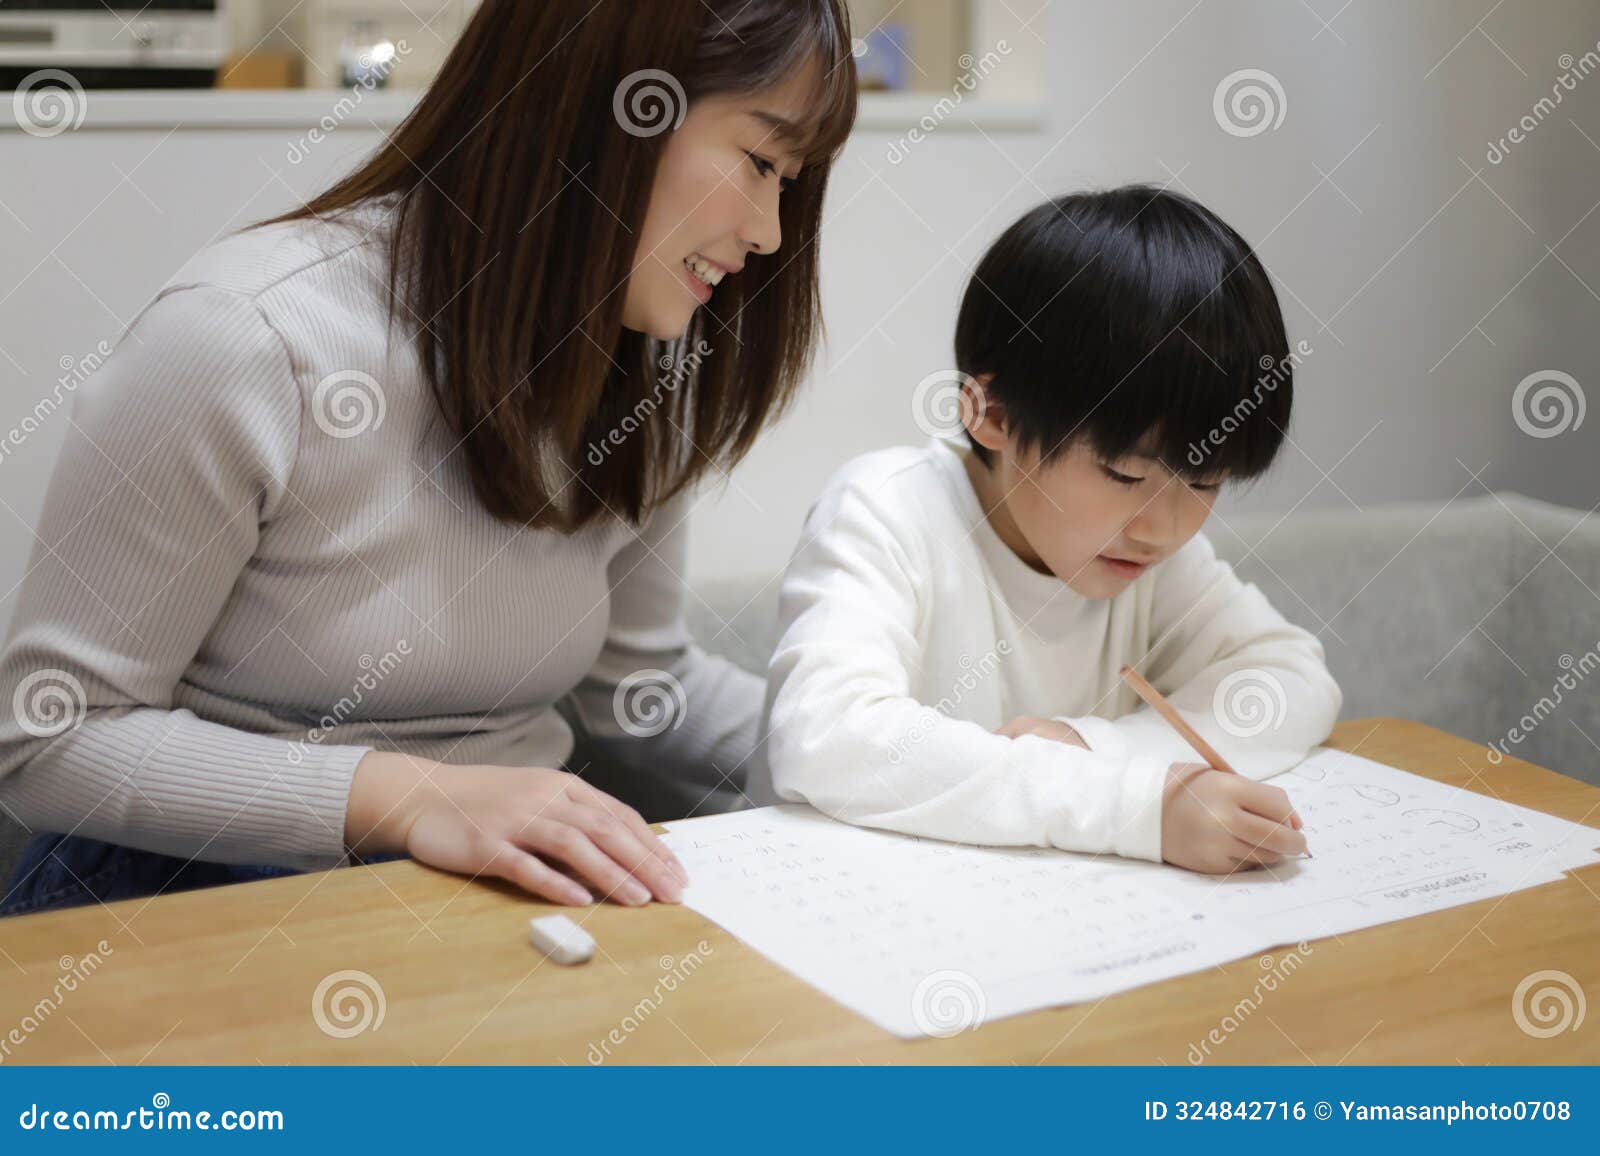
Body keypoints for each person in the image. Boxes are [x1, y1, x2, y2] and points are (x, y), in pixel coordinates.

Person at [0, 0, 858, 916]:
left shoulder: (644, 363)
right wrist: (414, 799)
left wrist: (898, 749)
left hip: (491, 901)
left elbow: (642, 689)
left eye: (790, 181)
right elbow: (48, 740)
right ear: (612, 107)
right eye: (761, 161)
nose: (770, 231)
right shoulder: (248, 336)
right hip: (186, 897)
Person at [763, 186, 1341, 875]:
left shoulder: (1148, 554)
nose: (1166, 527)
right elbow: (827, 738)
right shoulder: (885, 512)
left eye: (1206, 483)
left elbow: (1293, 678)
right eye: (1126, 475)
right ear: (993, 415)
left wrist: (1100, 749)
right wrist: (1133, 807)